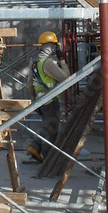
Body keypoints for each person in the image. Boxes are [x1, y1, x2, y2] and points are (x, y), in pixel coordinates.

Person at [27, 31, 70, 162]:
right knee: (51, 130)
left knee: (46, 126)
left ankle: (35, 146)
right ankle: (48, 157)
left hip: (40, 101)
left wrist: (34, 99)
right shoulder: (48, 63)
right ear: (51, 46)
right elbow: (65, 77)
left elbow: (29, 83)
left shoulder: (34, 61)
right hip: (50, 101)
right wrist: (62, 60)